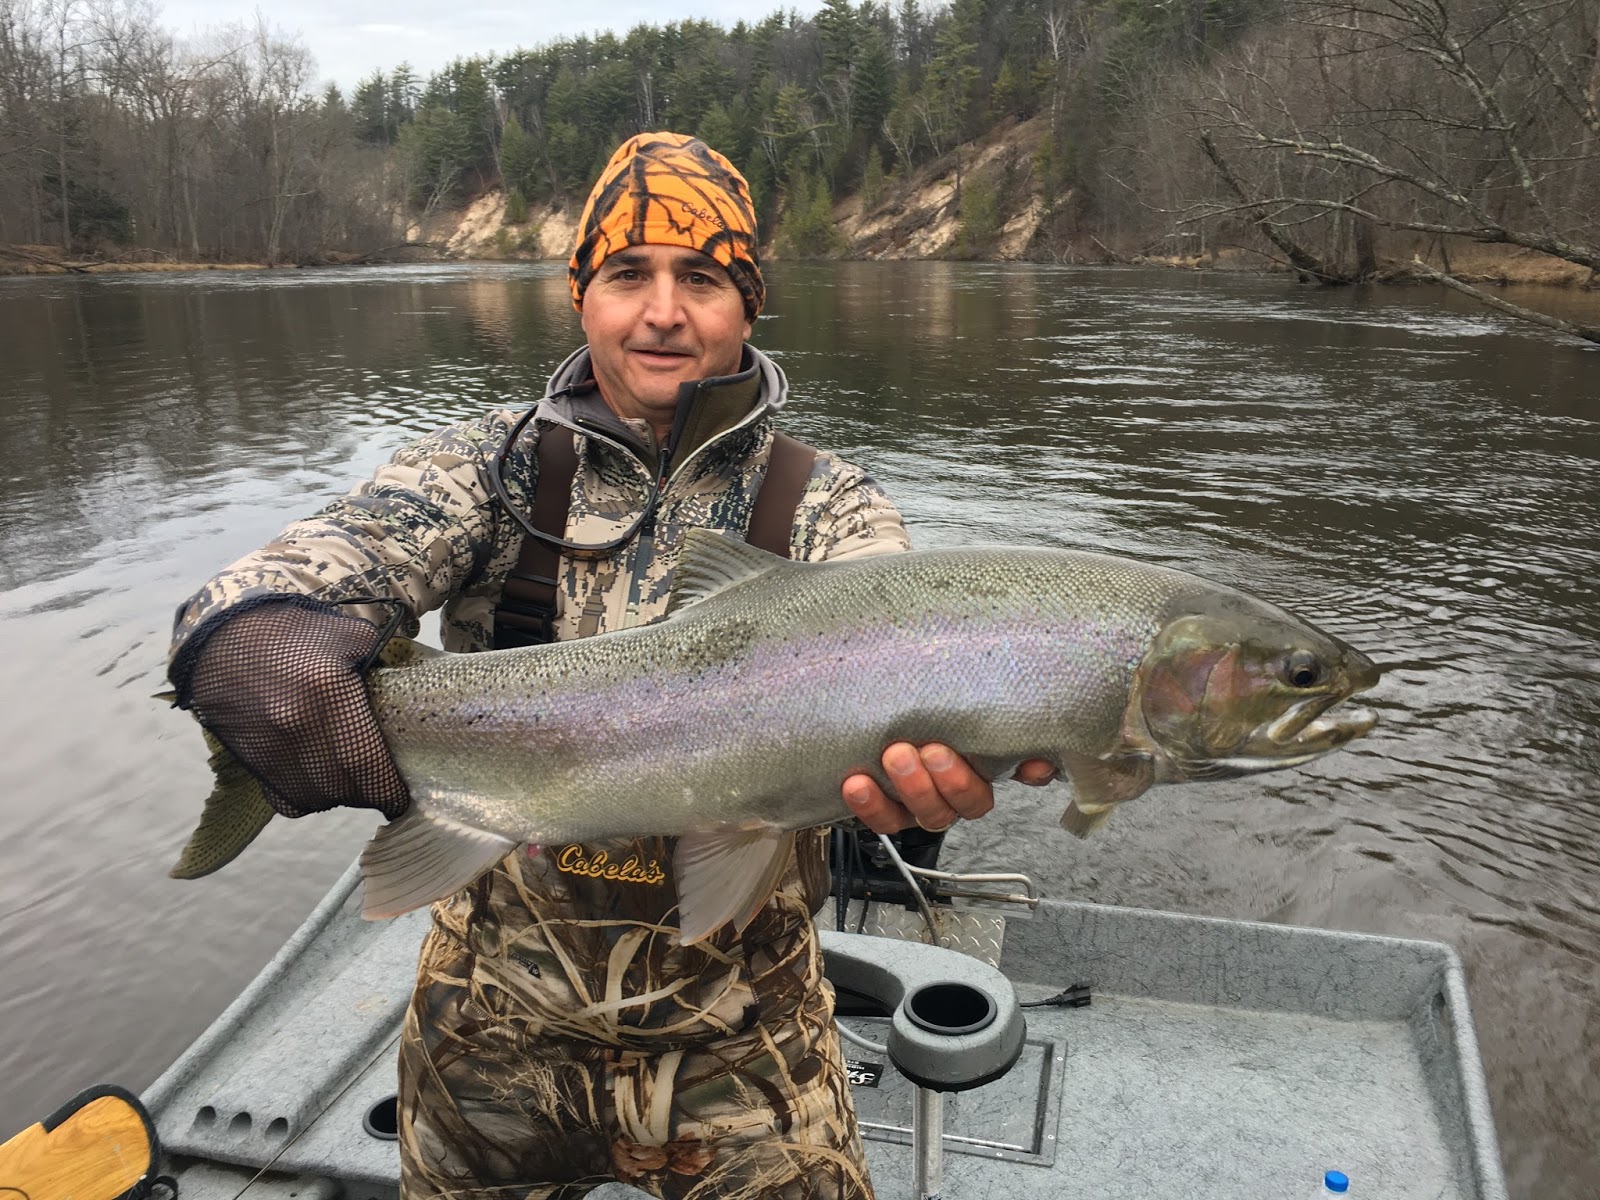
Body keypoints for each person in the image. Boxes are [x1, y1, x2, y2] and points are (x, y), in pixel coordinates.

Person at [167, 132, 1050, 1200]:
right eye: (629, 274)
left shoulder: (829, 506)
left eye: (703, 279)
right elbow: (341, 548)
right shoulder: (484, 470)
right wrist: (250, 627)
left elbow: (893, 627)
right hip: (489, 1028)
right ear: (581, 294)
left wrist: (929, 773)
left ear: (749, 305)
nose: (663, 311)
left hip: (746, 1036)